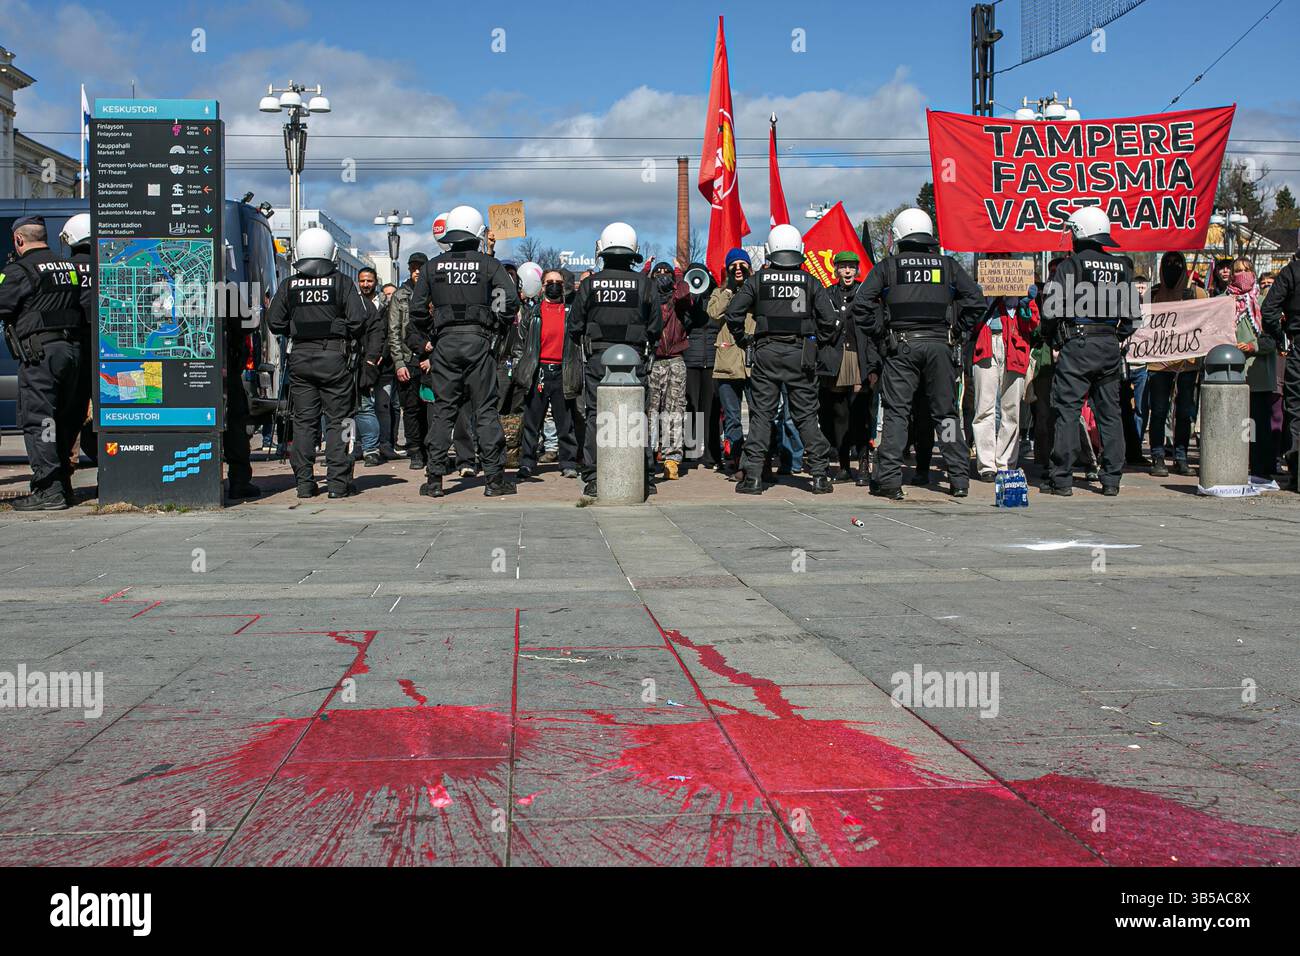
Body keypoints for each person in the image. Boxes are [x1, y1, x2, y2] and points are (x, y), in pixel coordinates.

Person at [852, 208, 984, 499]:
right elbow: (976, 301)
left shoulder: (888, 266)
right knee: (946, 415)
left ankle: (888, 479)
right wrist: (958, 330)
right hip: (940, 346)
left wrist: (880, 333)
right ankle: (959, 478)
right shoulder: (947, 266)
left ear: (898, 235)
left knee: (897, 414)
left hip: (901, 346)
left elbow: (860, 304)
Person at [407, 206, 519, 497]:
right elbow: (509, 303)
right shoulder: (489, 265)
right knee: (484, 410)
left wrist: (434, 331)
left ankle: (434, 480)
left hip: (445, 344)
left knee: (443, 410)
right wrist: (496, 324)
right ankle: (494, 481)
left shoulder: (432, 266)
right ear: (479, 233)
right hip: (479, 342)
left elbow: (416, 310)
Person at [725, 224, 837, 495]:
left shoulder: (758, 281)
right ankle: (820, 477)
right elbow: (830, 321)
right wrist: (814, 343)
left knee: (762, 416)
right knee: (806, 415)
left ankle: (752, 478)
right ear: (799, 249)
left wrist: (745, 341)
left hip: (766, 353)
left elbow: (733, 313)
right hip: (801, 355)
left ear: (770, 249)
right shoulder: (810, 281)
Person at [1039, 207, 1137, 496]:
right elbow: (1132, 317)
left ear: (1079, 232)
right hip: (1109, 348)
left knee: (1067, 412)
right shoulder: (1123, 267)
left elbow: (1050, 310)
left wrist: (1052, 339)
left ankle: (1062, 480)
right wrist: (1114, 336)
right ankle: (1111, 480)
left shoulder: (1071, 266)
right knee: (1109, 413)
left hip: (1077, 346)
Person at [267, 227, 368, 499]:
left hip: (300, 360)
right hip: (335, 359)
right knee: (341, 421)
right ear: (332, 253)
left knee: (303, 422)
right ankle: (338, 483)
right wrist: (337, 327)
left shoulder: (289, 284)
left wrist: (299, 327)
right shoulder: (342, 283)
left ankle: (304, 483)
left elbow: (274, 322)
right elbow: (359, 321)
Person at [567, 222, 661, 499]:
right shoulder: (645, 284)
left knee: (597, 416)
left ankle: (596, 476)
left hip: (598, 358)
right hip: (635, 359)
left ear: (603, 250)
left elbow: (573, 327)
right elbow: (656, 327)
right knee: (635, 416)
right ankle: (642, 475)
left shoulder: (589, 284)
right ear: (633, 251)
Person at [0, 215, 88, 510]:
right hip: (72, 353)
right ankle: (62, 485)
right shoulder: (69, 268)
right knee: (63, 421)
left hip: (41, 356)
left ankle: (47, 491)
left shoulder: (19, 270)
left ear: (19, 240)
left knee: (40, 420)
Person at [971, 265, 1039, 479]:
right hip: (987, 344)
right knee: (984, 407)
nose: (1001, 262)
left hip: (1014, 348)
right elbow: (970, 320)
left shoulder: (1022, 287)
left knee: (1011, 409)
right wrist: (982, 297)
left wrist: (1026, 302)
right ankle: (987, 465)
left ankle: (1006, 462)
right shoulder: (980, 287)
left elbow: (1033, 324)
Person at [516, 269, 580, 479]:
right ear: (542, 286)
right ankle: (527, 462)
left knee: (565, 422)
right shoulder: (533, 312)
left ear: (564, 286)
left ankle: (568, 462)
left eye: (558, 282)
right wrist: (521, 367)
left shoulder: (571, 313)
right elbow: (520, 343)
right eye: (550, 282)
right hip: (538, 371)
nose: (554, 285)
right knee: (532, 421)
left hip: (564, 370)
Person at [819, 250, 876, 483]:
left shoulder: (865, 293)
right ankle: (843, 467)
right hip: (836, 359)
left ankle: (863, 466)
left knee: (860, 413)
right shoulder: (828, 294)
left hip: (859, 358)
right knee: (839, 414)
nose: (848, 271)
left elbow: (874, 329)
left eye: (852, 267)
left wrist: (873, 365)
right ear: (836, 270)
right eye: (843, 267)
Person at [1147, 251, 1205, 477]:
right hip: (1158, 363)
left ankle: (1180, 456)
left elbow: (1206, 322)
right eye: (1168, 263)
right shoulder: (1153, 294)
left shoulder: (1196, 292)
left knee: (1184, 411)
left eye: (1177, 263)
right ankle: (1158, 456)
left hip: (1187, 362)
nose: (1173, 267)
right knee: (1159, 410)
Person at [708, 249, 754, 478]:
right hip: (727, 363)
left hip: (753, 361)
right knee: (733, 417)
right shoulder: (719, 292)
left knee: (759, 414)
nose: (738, 269)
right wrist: (728, 291)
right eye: (733, 265)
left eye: (742, 265)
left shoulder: (757, 289)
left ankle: (754, 462)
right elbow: (714, 314)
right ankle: (736, 460)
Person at [58, 214, 97, 483]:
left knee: (69, 416)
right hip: (105, 356)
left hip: (72, 351)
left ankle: (64, 480)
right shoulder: (110, 267)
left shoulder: (62, 271)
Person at [1261, 240, 1300, 490]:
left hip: (1298, 345)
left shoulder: (1291, 271)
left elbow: (1268, 309)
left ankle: (1297, 474)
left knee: (1296, 411)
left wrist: (1282, 336)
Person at [386, 252, 430, 471]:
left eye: (420, 267)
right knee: (411, 409)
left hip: (428, 359)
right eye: (413, 267)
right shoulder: (400, 296)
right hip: (407, 358)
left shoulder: (433, 293)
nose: (416, 271)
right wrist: (399, 363)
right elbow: (393, 332)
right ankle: (415, 451)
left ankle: (430, 449)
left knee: (430, 408)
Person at [647, 260, 690, 480]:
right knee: (650, 412)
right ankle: (649, 455)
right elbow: (639, 290)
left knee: (674, 411)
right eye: (658, 273)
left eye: (666, 273)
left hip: (675, 360)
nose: (662, 275)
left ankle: (672, 459)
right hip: (653, 361)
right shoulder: (648, 298)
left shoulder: (677, 299)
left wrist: (679, 273)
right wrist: (646, 271)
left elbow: (684, 294)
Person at [681, 260, 720, 472]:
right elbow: (683, 324)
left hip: (713, 360)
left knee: (712, 409)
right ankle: (690, 451)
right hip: (691, 360)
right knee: (691, 407)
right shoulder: (685, 301)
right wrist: (690, 302)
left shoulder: (715, 297)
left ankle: (712, 454)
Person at [353, 266, 386, 467]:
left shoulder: (381, 305)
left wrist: (374, 357)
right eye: (362, 281)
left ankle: (371, 449)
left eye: (369, 281)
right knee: (341, 410)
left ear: (376, 282)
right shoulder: (352, 302)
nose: (365, 284)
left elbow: (383, 333)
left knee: (366, 407)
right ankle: (346, 448)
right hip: (347, 365)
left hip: (370, 363)